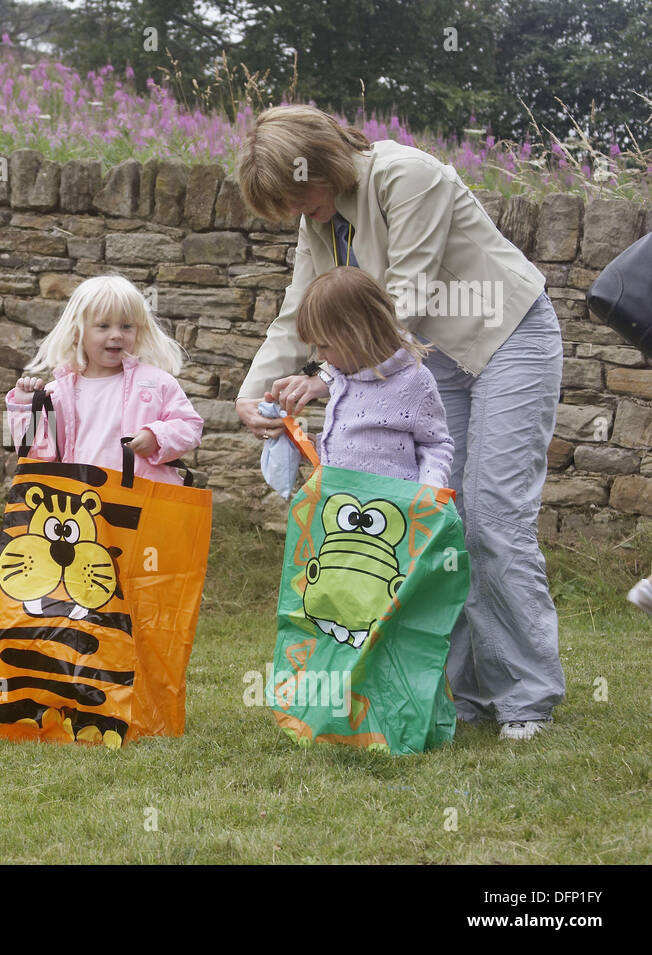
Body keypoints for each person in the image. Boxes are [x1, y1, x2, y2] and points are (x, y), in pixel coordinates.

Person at [233, 104, 563, 741]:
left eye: (301, 193)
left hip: (505, 338)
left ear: (325, 162)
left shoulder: (408, 176)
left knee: (494, 513)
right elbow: (299, 309)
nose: (300, 213)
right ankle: (465, 692)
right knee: (436, 514)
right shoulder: (321, 216)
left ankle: (527, 696)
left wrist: (325, 378)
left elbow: (401, 299)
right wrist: (253, 394)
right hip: (425, 358)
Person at [7, 274, 203, 483]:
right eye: (103, 326)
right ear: (77, 333)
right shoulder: (57, 393)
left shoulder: (157, 383)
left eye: (126, 326)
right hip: (81, 503)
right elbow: (39, 457)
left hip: (144, 504)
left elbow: (190, 426)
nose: (117, 334)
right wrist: (25, 407)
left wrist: (157, 437)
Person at [286, 267, 454, 488]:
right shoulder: (342, 378)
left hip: (394, 510)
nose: (320, 356)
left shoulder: (414, 381)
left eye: (324, 346)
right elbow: (360, 443)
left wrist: (430, 494)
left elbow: (436, 444)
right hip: (346, 507)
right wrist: (318, 447)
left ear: (359, 335)